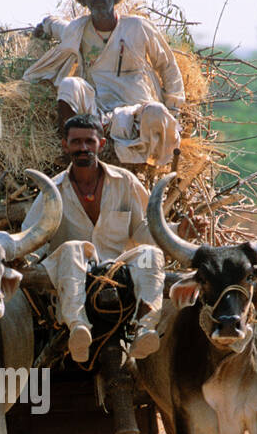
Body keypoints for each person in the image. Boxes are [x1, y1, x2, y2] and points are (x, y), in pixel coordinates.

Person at [22, 114, 165, 364]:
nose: (83, 148)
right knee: (75, 248)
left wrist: (178, 231)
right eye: (76, 142)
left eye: (89, 141)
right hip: (71, 276)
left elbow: (143, 232)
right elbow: (32, 236)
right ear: (65, 145)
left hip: (119, 273)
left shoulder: (125, 183)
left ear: (101, 143)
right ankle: (78, 326)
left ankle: (144, 327)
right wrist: (22, 262)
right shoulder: (53, 191)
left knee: (151, 254)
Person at [24, 0, 184, 168]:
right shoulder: (78, 30)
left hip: (138, 111)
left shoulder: (137, 27)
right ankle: (72, 150)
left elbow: (168, 66)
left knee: (156, 112)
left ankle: (143, 161)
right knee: (70, 85)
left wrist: (173, 109)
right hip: (97, 114)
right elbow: (57, 26)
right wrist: (45, 25)